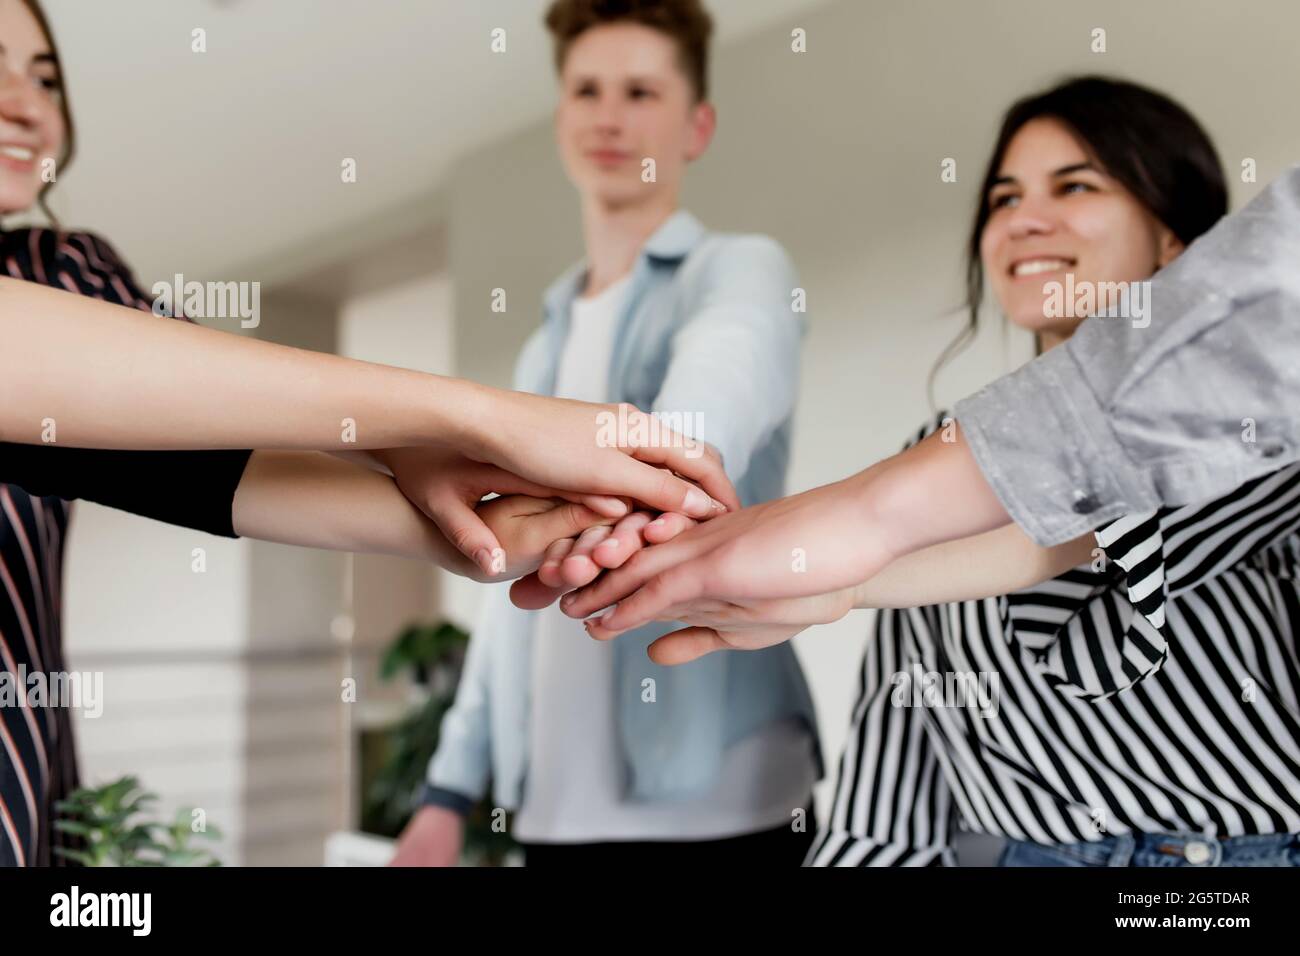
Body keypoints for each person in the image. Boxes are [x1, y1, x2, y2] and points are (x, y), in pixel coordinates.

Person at [0, 0, 733, 867]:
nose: (26, 102)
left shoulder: (57, 270)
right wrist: (470, 414)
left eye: (45, 76)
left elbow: (179, 452)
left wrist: (468, 528)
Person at [392, 0, 820, 867]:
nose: (610, 116)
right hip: (551, 807)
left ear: (696, 125)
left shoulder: (739, 268)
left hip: (720, 802)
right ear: (561, 121)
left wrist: (656, 472)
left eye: (641, 90)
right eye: (587, 90)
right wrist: (446, 792)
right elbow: (497, 573)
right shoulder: (542, 342)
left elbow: (715, 396)